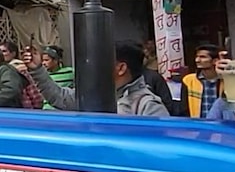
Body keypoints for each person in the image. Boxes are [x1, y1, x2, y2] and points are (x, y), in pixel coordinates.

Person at [29, 41, 169, 117]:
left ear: (121, 68)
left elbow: (161, 149)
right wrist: (37, 69)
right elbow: (60, 97)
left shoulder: (148, 106)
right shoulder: (94, 94)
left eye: (101, 62)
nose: (94, 67)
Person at [175, 44, 227, 118]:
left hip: (220, 125)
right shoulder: (189, 80)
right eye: (197, 57)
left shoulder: (225, 80)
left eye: (203, 57)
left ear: (215, 61)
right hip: (198, 124)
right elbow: (184, 108)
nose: (197, 60)